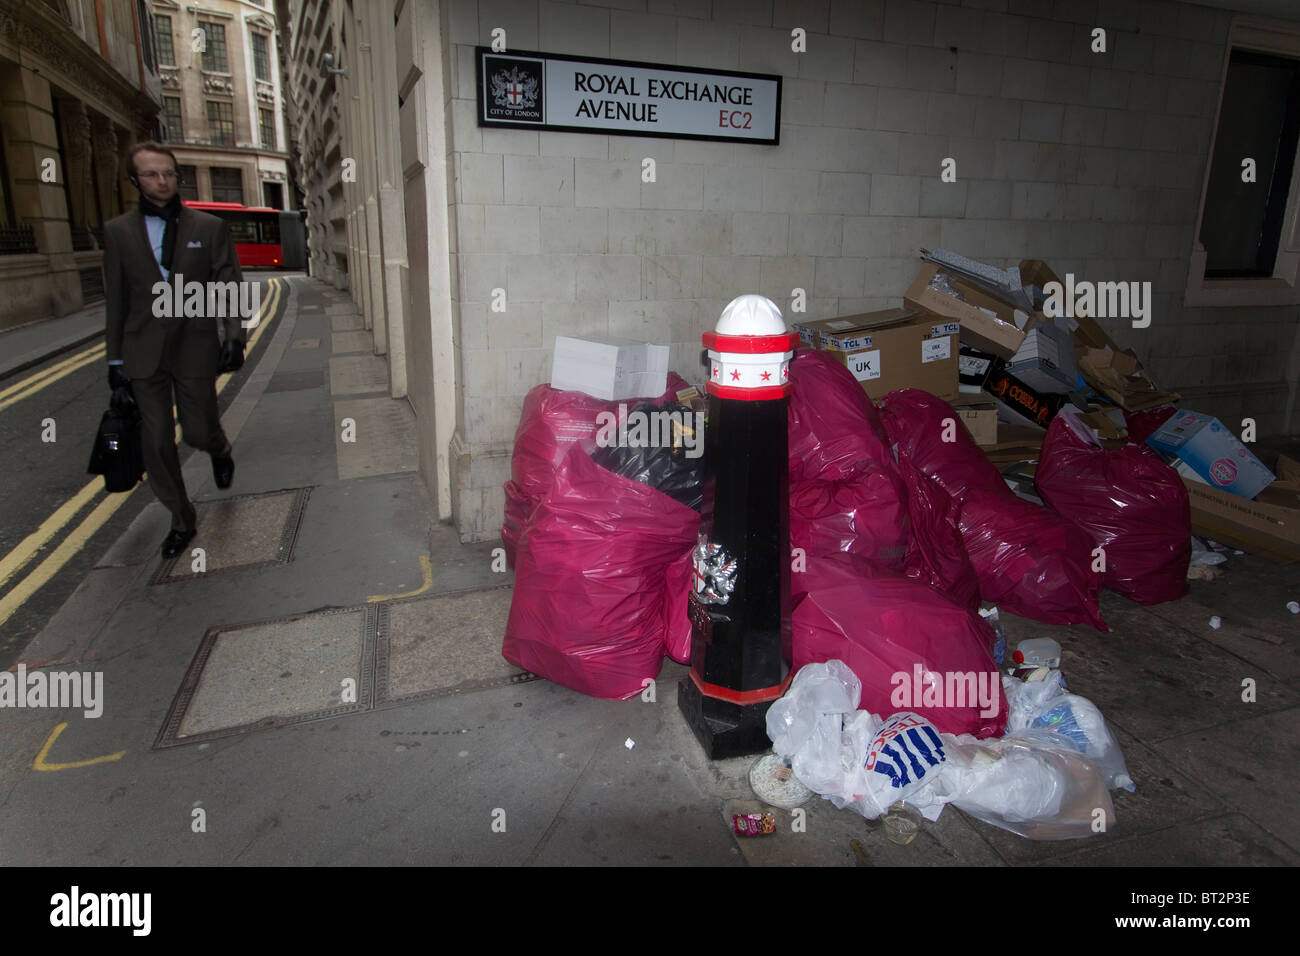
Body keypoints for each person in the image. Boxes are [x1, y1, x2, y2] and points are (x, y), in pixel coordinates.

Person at [103, 142, 247, 558]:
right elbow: (116, 300)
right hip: (141, 350)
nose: (161, 181)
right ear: (135, 180)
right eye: (150, 174)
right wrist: (115, 362)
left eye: (168, 173)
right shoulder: (118, 232)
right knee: (156, 441)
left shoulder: (208, 227)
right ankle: (182, 518)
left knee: (198, 429)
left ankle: (219, 450)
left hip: (194, 345)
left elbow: (228, 285)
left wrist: (233, 336)